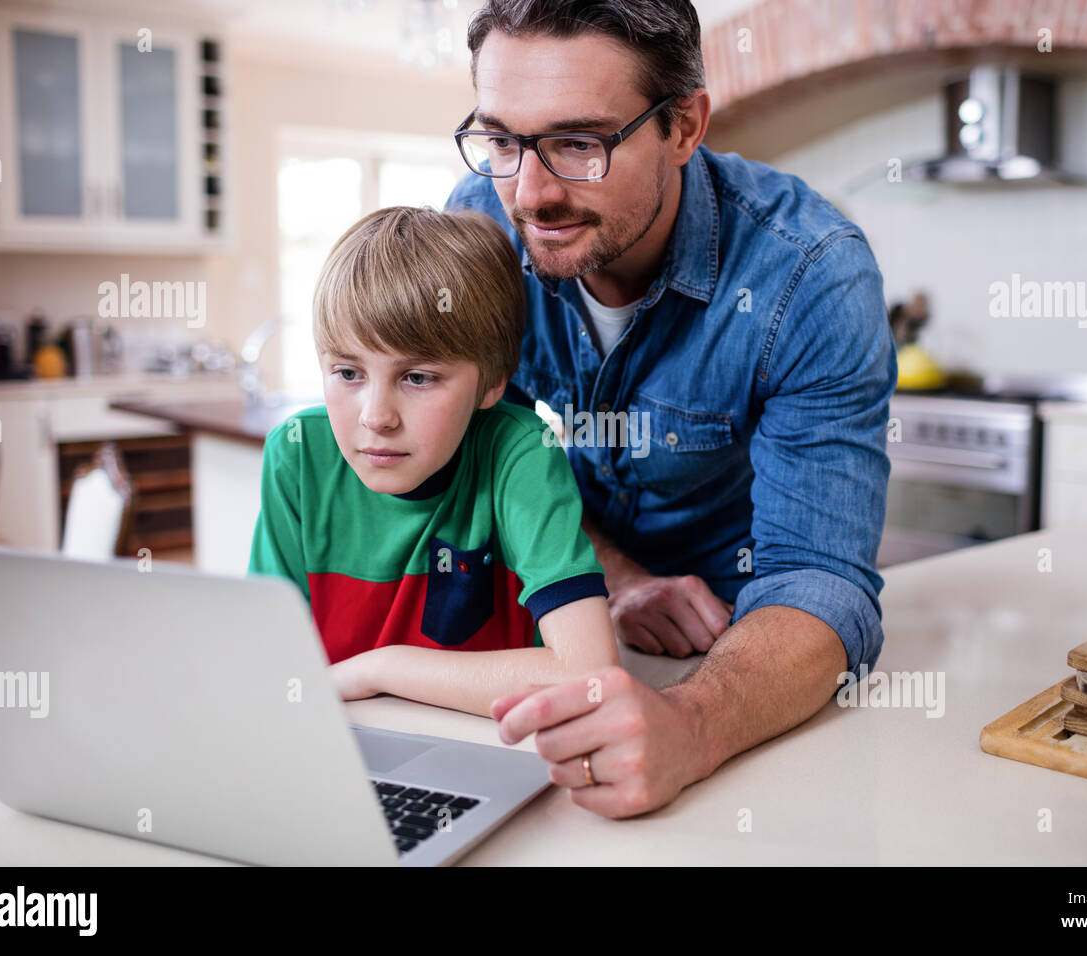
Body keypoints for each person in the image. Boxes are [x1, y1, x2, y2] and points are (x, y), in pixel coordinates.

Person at [445, 0, 896, 817]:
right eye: (503, 141)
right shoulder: (479, 226)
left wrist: (691, 726)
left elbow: (818, 579)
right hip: (558, 608)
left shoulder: (812, 277)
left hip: (733, 641)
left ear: (684, 128)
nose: (530, 194)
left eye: (579, 143)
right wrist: (613, 580)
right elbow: (474, 459)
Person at [247, 205, 619, 717]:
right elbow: (266, 667)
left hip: (489, 751)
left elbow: (590, 676)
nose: (376, 417)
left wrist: (380, 669)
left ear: (492, 382)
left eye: (417, 378)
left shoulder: (519, 455)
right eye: (348, 373)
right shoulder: (295, 454)